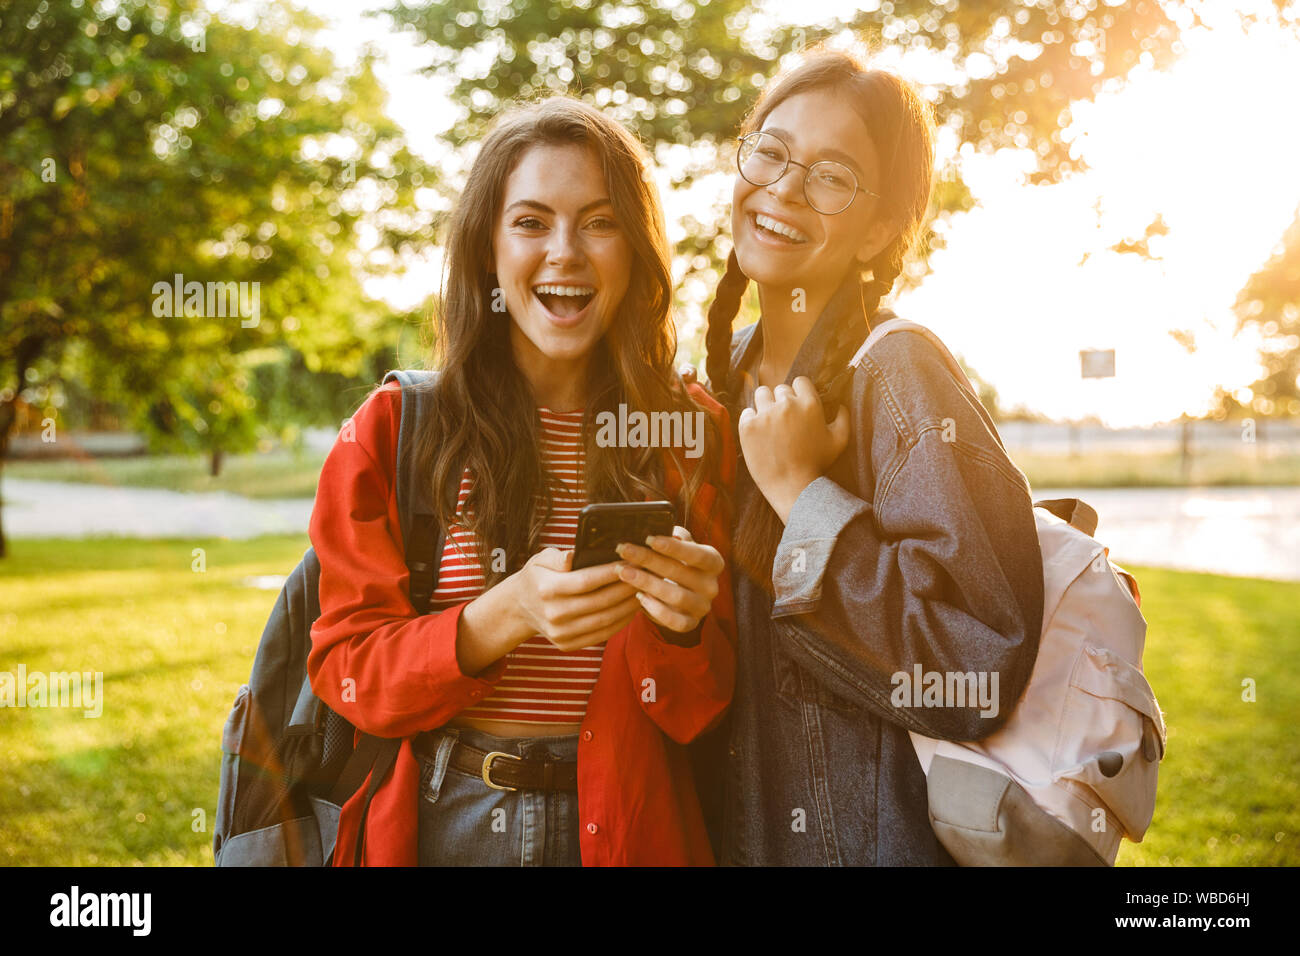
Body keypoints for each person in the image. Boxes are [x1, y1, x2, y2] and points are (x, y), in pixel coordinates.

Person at [307, 96, 736, 866]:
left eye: (600, 223)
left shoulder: (692, 433)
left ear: (636, 250)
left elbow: (701, 711)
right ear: (487, 251)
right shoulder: (395, 428)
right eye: (531, 222)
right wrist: (500, 616)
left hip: (629, 822)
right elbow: (350, 673)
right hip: (447, 819)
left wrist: (683, 629)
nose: (565, 252)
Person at [696, 46, 1045, 865]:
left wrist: (801, 494)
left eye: (831, 176)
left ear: (880, 227)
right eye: (771, 151)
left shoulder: (895, 374)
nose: (783, 188)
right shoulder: (718, 374)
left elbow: (977, 664)